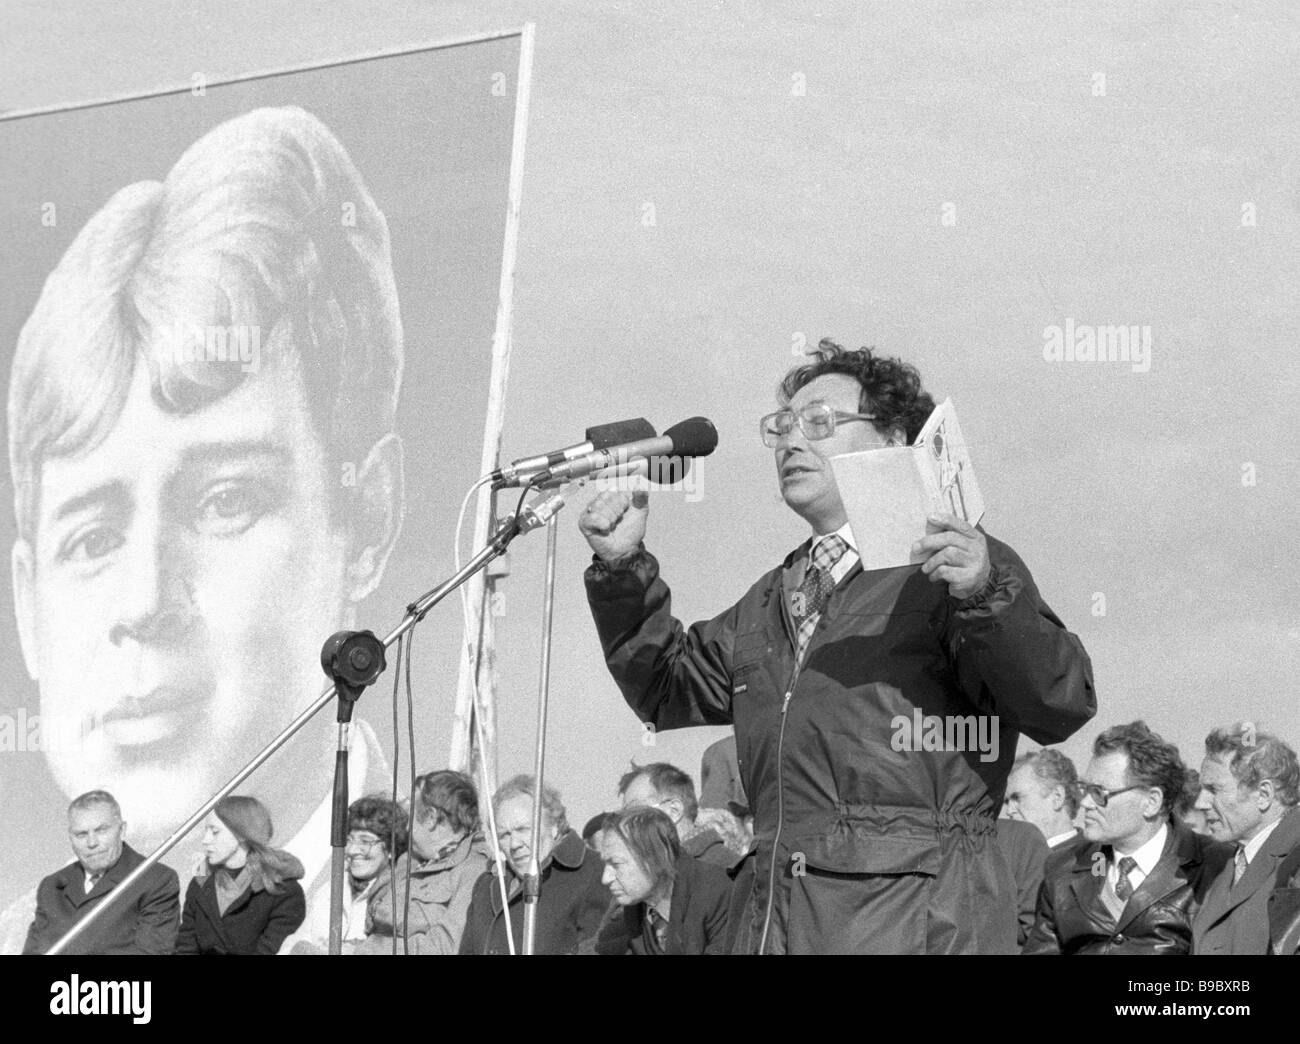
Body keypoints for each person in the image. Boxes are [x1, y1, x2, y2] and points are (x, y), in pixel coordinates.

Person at [1, 105, 404, 952]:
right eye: (92, 537)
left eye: (224, 500)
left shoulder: (419, 914)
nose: (146, 600)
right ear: (28, 605)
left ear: (365, 516)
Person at [580, 340, 1096, 954]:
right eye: (781, 428)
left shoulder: (950, 567)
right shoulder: (770, 599)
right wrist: (623, 570)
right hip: (781, 919)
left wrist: (987, 593)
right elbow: (664, 688)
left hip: (916, 924)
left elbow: (1059, 702)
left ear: (892, 437)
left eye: (821, 422)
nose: (793, 442)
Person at [1024, 722, 1229, 955]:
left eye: (1100, 793)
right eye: (1085, 788)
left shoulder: (1216, 868)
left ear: (1151, 802)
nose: (1086, 803)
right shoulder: (1063, 869)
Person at [459, 775, 610, 954]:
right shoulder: (487, 886)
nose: (514, 844)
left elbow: (599, 946)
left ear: (554, 826)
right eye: (504, 835)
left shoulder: (593, 873)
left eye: (523, 829)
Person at [23, 789, 178, 954]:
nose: (91, 842)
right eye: (81, 834)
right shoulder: (51, 886)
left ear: (122, 830)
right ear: (70, 838)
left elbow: (151, 953)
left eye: (101, 830)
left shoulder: (156, 879)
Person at [351, 771, 489, 955]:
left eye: (411, 816)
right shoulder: (407, 861)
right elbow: (373, 927)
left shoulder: (474, 871)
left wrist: (363, 951)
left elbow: (444, 948)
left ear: (431, 818)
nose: (407, 827)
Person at [1191, 724, 1300, 955]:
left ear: (1263, 795)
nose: (1200, 803)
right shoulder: (1227, 865)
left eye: (1214, 789)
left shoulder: (1295, 862)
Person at [176, 795, 306, 955]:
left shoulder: (283, 891)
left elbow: (271, 950)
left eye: (215, 832)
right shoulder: (201, 882)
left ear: (242, 834)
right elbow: (186, 945)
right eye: (206, 831)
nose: (205, 840)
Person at [593, 806, 731, 955]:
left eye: (616, 864)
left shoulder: (717, 894)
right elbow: (601, 947)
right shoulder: (633, 909)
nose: (605, 878)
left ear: (653, 858)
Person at [282, 794, 407, 954]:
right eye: (349, 840)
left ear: (391, 848)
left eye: (365, 841)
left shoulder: (398, 896)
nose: (352, 850)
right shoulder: (331, 889)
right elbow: (298, 940)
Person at [618, 762, 742, 867]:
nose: (625, 825)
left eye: (635, 811)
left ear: (674, 811)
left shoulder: (724, 869)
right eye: (624, 816)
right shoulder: (662, 870)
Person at [993, 818, 1049, 951]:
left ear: (1057, 799)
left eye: (1018, 798)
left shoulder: (1020, 837)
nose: (1010, 809)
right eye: (1007, 801)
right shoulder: (1018, 836)